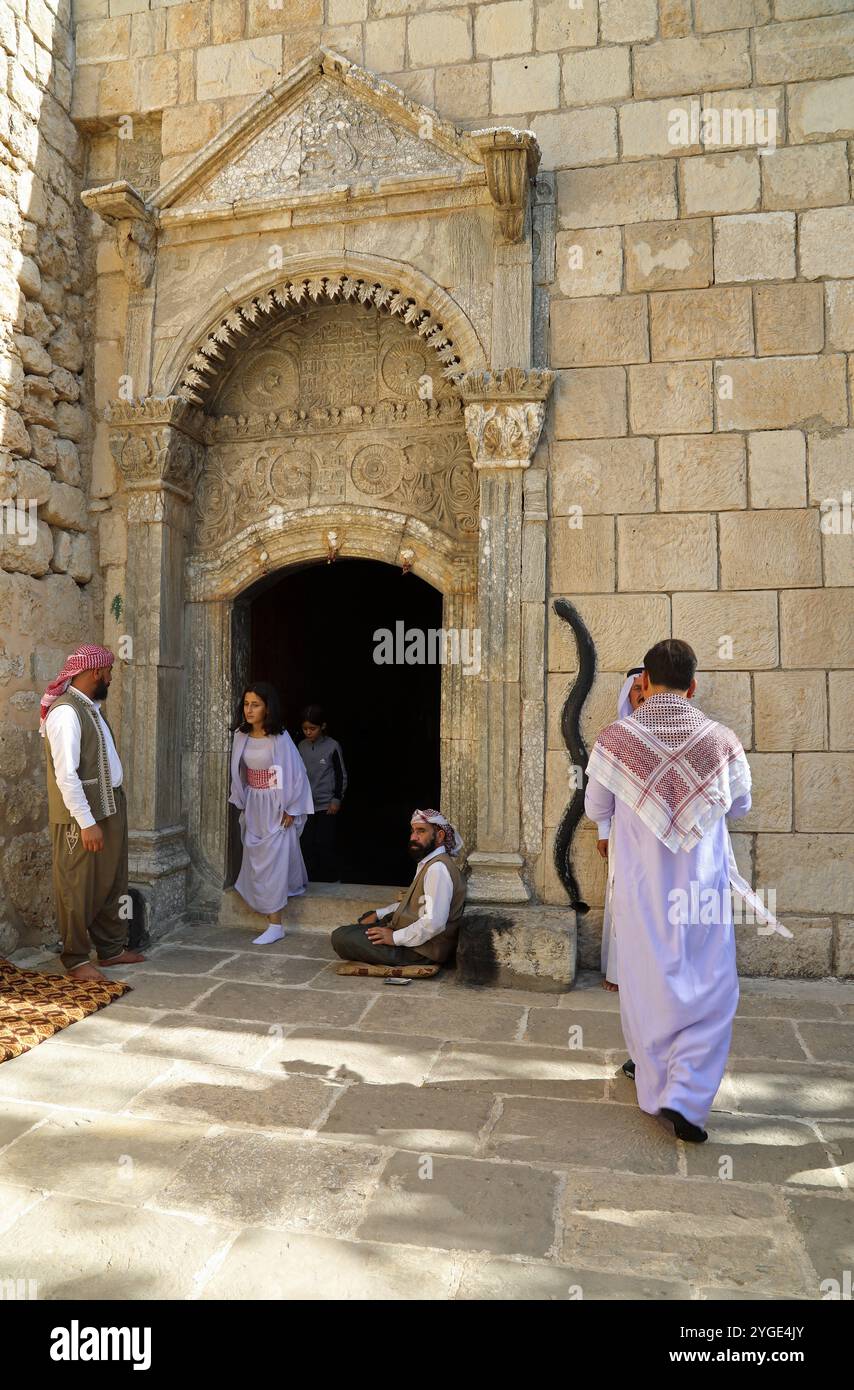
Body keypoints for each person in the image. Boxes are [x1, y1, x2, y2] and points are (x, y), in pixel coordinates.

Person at [584, 639, 752, 1144]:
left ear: (646, 682)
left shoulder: (616, 739)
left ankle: (656, 1080)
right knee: (711, 985)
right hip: (700, 888)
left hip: (641, 888)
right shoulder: (722, 740)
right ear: (693, 685)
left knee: (646, 980)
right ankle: (686, 1096)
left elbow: (596, 807)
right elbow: (738, 806)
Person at [40, 643, 144, 980]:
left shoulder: (90, 708)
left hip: (109, 805)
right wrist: (86, 822)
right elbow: (65, 775)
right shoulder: (66, 712)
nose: (111, 678)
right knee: (77, 884)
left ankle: (111, 949)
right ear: (96, 672)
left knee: (112, 879)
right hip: (80, 816)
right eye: (109, 671)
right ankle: (75, 959)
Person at [229, 683, 314, 945]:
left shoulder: (279, 737)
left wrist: (289, 806)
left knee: (275, 861)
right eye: (246, 704)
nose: (249, 709)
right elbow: (240, 772)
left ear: (267, 708)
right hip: (254, 803)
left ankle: (275, 925)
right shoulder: (241, 735)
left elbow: (293, 772)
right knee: (257, 859)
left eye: (255, 704)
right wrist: (243, 799)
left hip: (276, 805)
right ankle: (265, 908)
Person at [331, 809, 465, 968]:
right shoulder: (429, 864)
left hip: (422, 951)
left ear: (440, 836)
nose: (413, 837)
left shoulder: (437, 869)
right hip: (412, 937)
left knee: (340, 937)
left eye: (421, 831)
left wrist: (394, 938)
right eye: (413, 831)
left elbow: (434, 922)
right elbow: (414, 903)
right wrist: (378, 914)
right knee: (366, 918)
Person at [598, 666, 645, 992]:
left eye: (646, 689)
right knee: (624, 897)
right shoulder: (616, 734)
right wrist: (603, 830)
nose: (642, 696)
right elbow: (603, 789)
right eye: (636, 690)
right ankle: (619, 972)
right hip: (624, 832)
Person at [298, 705, 348, 882]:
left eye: (313, 728)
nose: (308, 732)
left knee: (325, 843)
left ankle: (333, 879)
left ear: (323, 726)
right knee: (307, 843)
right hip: (306, 805)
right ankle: (310, 880)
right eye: (305, 729)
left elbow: (341, 774)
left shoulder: (332, 746)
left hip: (327, 804)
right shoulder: (301, 746)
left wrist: (336, 799)